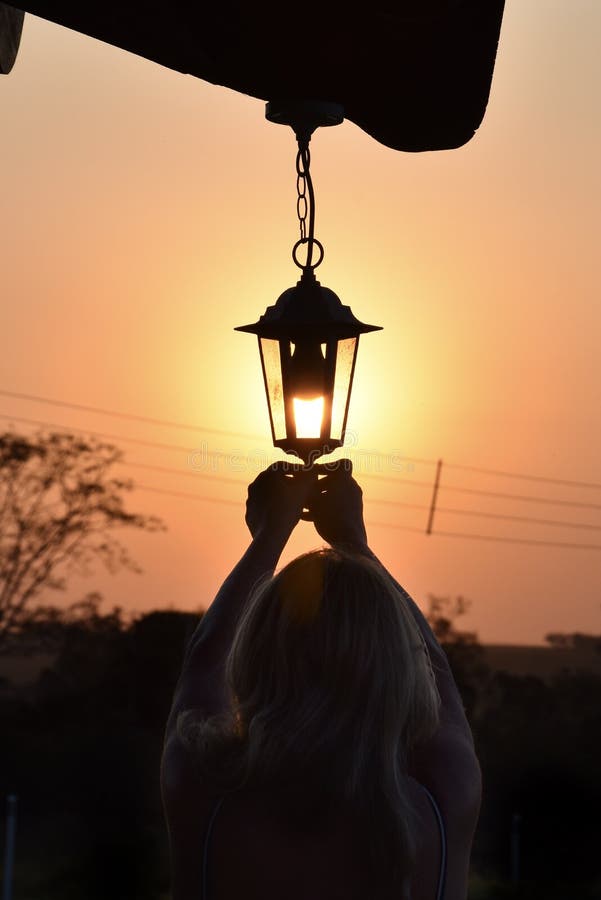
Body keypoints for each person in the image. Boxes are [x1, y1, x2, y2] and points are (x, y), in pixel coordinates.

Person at [161, 462, 481, 900]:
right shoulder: (442, 801)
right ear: (397, 668)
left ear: (258, 656)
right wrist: (354, 543)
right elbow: (438, 679)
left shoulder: (206, 792)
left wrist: (269, 536)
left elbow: (204, 664)